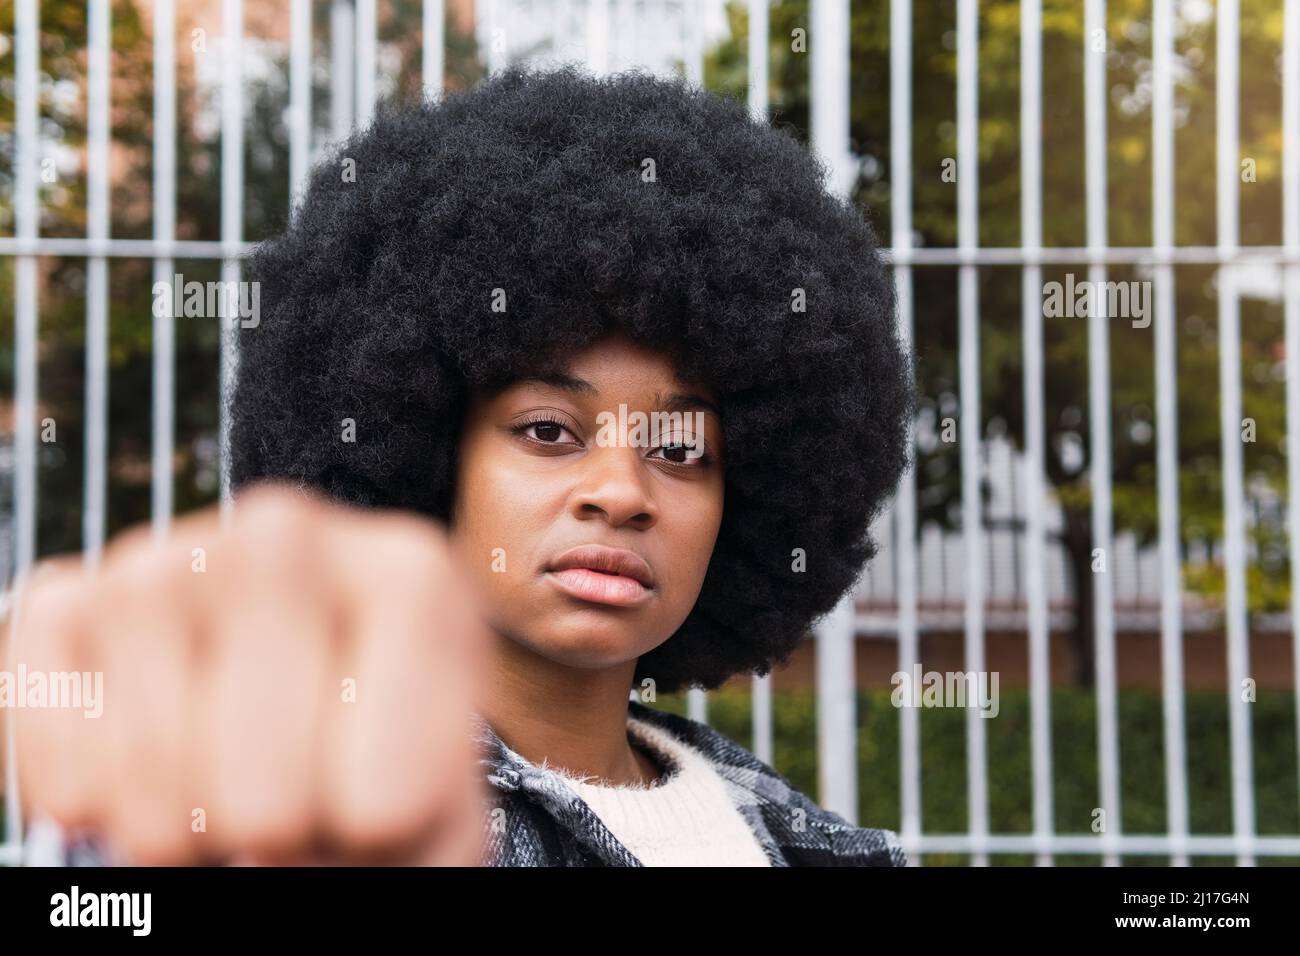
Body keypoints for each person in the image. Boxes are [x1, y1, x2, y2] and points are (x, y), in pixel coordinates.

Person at [1, 63, 914, 866]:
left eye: (681, 450)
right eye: (550, 431)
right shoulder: (331, 811)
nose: (620, 494)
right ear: (431, 456)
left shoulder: (804, 839)